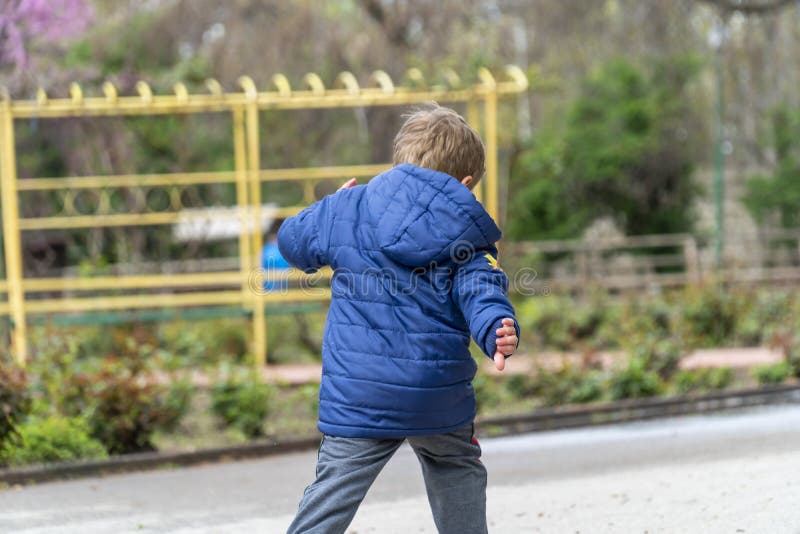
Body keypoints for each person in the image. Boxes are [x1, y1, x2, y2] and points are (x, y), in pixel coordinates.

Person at [278, 104, 519, 534]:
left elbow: (292, 245)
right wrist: (494, 326)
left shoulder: (347, 208)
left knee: (333, 488)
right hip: (435, 394)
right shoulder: (465, 230)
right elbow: (480, 287)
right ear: (465, 184)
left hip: (360, 393)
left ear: (400, 160)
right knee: (456, 467)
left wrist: (330, 202)